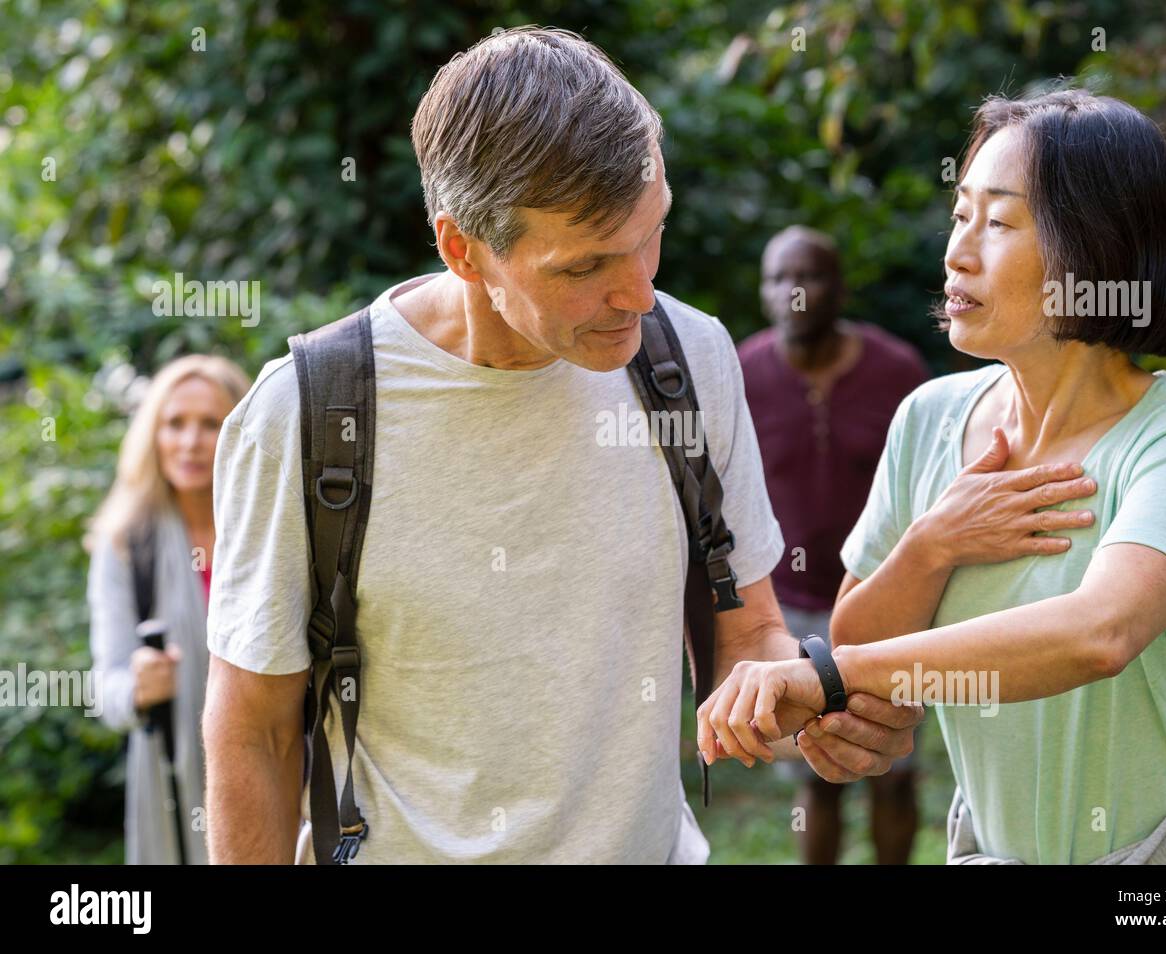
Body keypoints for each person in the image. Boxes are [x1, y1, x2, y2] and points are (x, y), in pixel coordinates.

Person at [200, 26, 925, 865]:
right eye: (585, 267)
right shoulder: (309, 414)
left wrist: (811, 697)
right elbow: (254, 728)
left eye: (651, 234)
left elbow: (747, 630)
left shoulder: (687, 358)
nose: (639, 291)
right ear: (463, 250)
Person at [699, 88, 1166, 864]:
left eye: (998, 222)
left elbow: (1098, 634)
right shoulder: (929, 419)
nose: (958, 253)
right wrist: (933, 544)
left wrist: (827, 678)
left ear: (1095, 248)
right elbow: (862, 646)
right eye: (959, 216)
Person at [739, 225, 930, 864]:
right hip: (789, 611)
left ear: (840, 287)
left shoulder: (896, 371)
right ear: (763, 292)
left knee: (893, 770)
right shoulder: (743, 375)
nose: (793, 291)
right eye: (777, 278)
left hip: (888, 608)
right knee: (818, 774)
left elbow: (929, 488)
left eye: (808, 275)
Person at [87, 354, 250, 864]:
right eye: (174, 423)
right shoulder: (127, 544)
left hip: (272, 765)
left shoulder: (266, 529)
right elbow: (107, 688)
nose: (191, 442)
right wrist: (137, 686)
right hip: (169, 782)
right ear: (151, 434)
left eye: (210, 423)